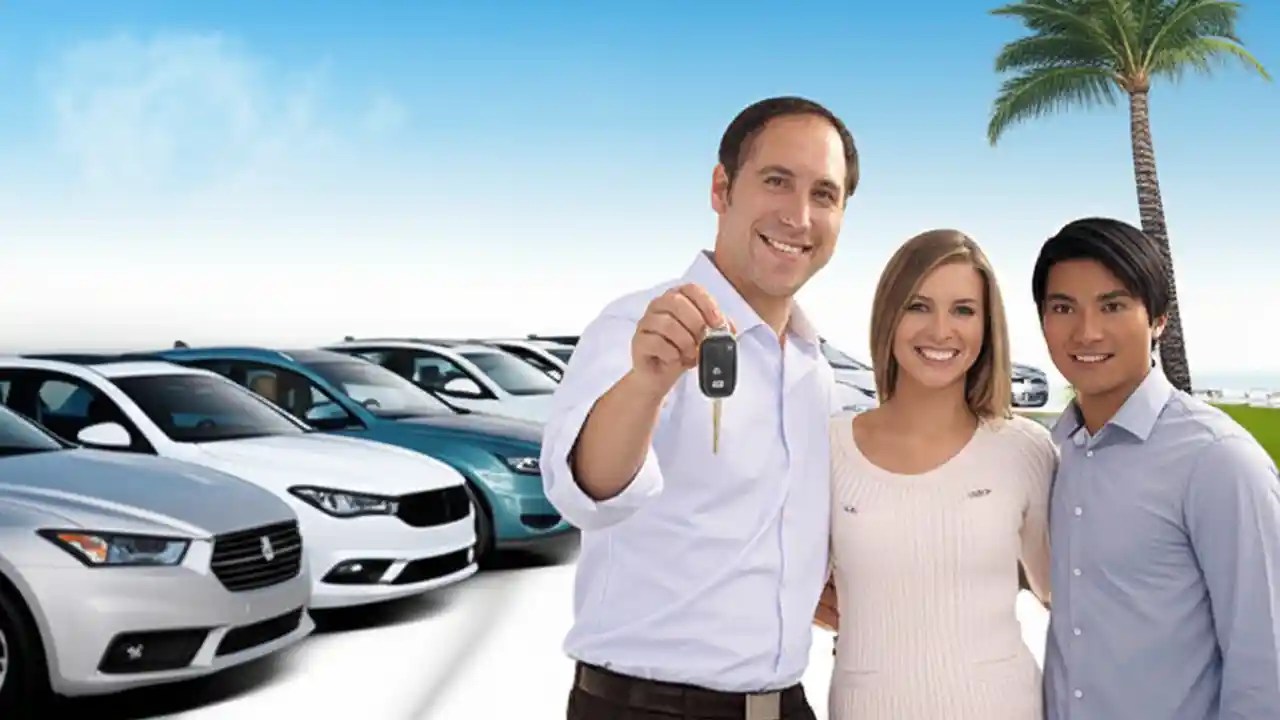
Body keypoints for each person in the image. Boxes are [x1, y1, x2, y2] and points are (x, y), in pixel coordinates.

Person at [539, 95, 859, 720]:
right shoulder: (638, 327)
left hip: (785, 704)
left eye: (825, 194)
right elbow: (587, 490)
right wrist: (646, 382)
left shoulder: (814, 369)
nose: (799, 215)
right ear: (722, 187)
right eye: (776, 181)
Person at [1033, 217, 1280, 719]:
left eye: (1113, 305)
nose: (1087, 331)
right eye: (1064, 308)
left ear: (1159, 319)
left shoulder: (1217, 461)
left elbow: (1266, 663)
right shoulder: (1055, 453)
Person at [819, 229, 1056, 719]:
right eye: (919, 306)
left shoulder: (1024, 450)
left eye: (963, 310)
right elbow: (781, 582)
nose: (941, 330)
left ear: (988, 326)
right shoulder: (827, 450)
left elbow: (1062, 591)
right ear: (889, 314)